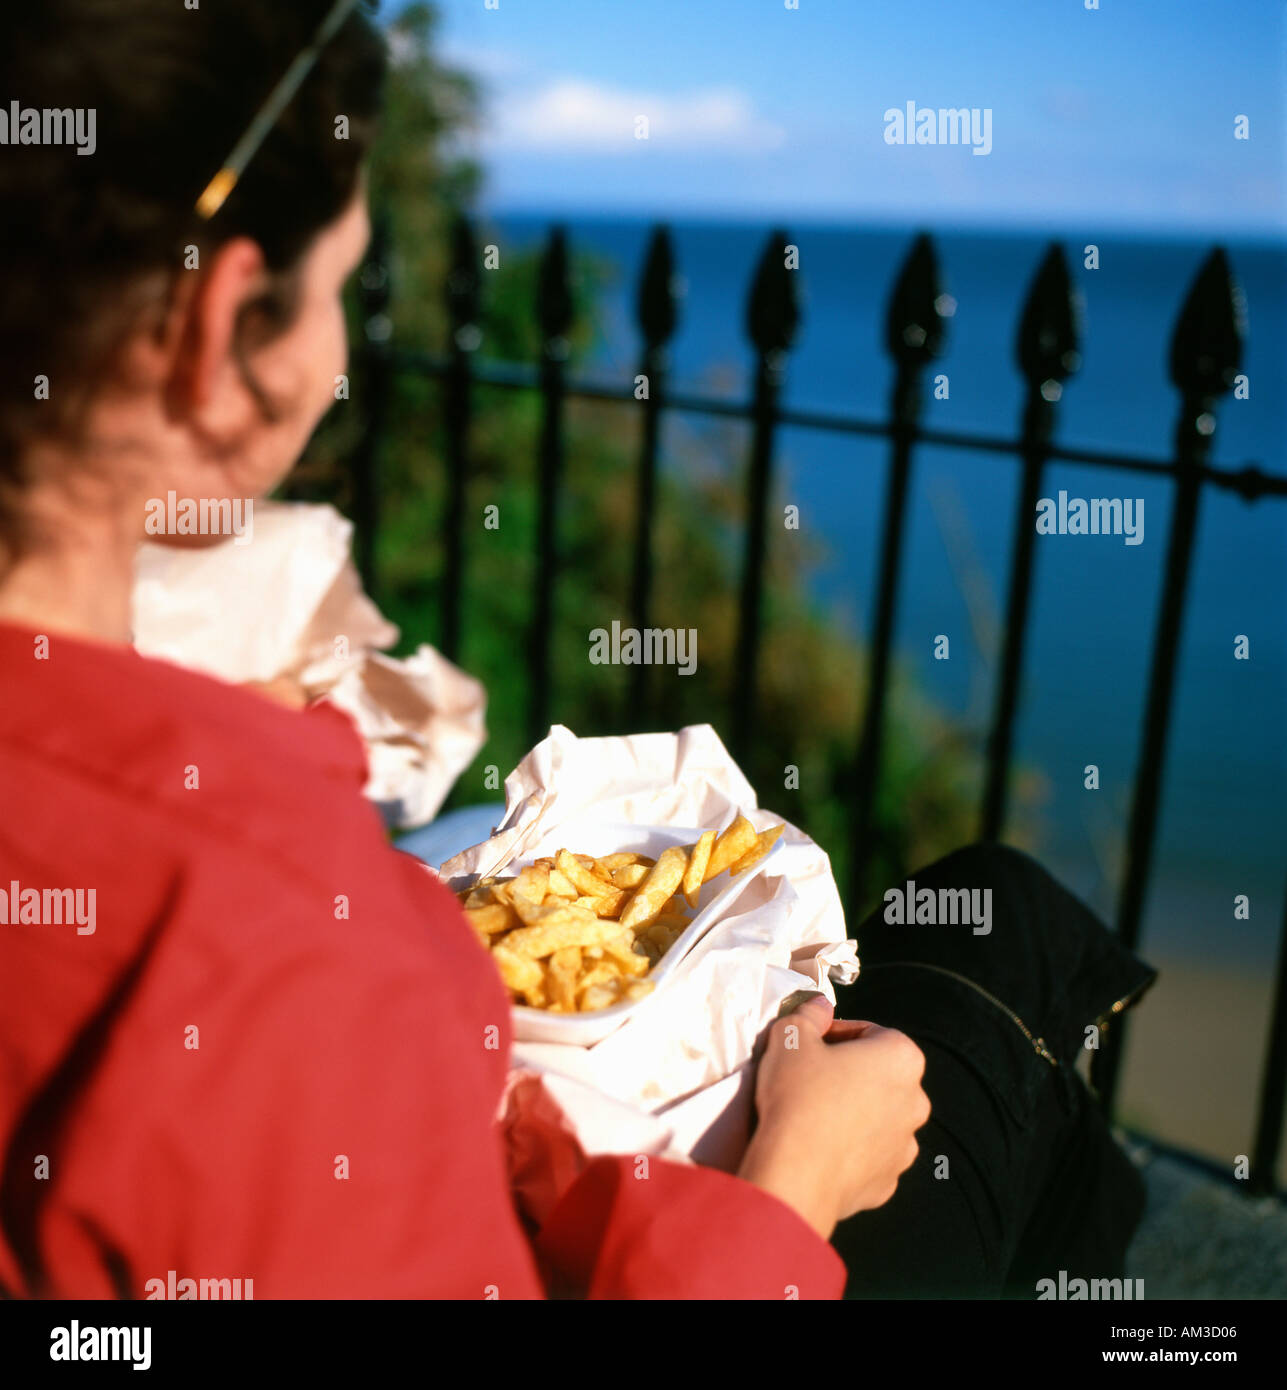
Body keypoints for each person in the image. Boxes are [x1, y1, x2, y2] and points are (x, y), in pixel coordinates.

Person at [0, 1, 1151, 1300]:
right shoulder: (253, 935)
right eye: (342, 284)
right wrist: (799, 1183)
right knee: (1008, 942)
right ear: (220, 333)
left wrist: (245, 749)